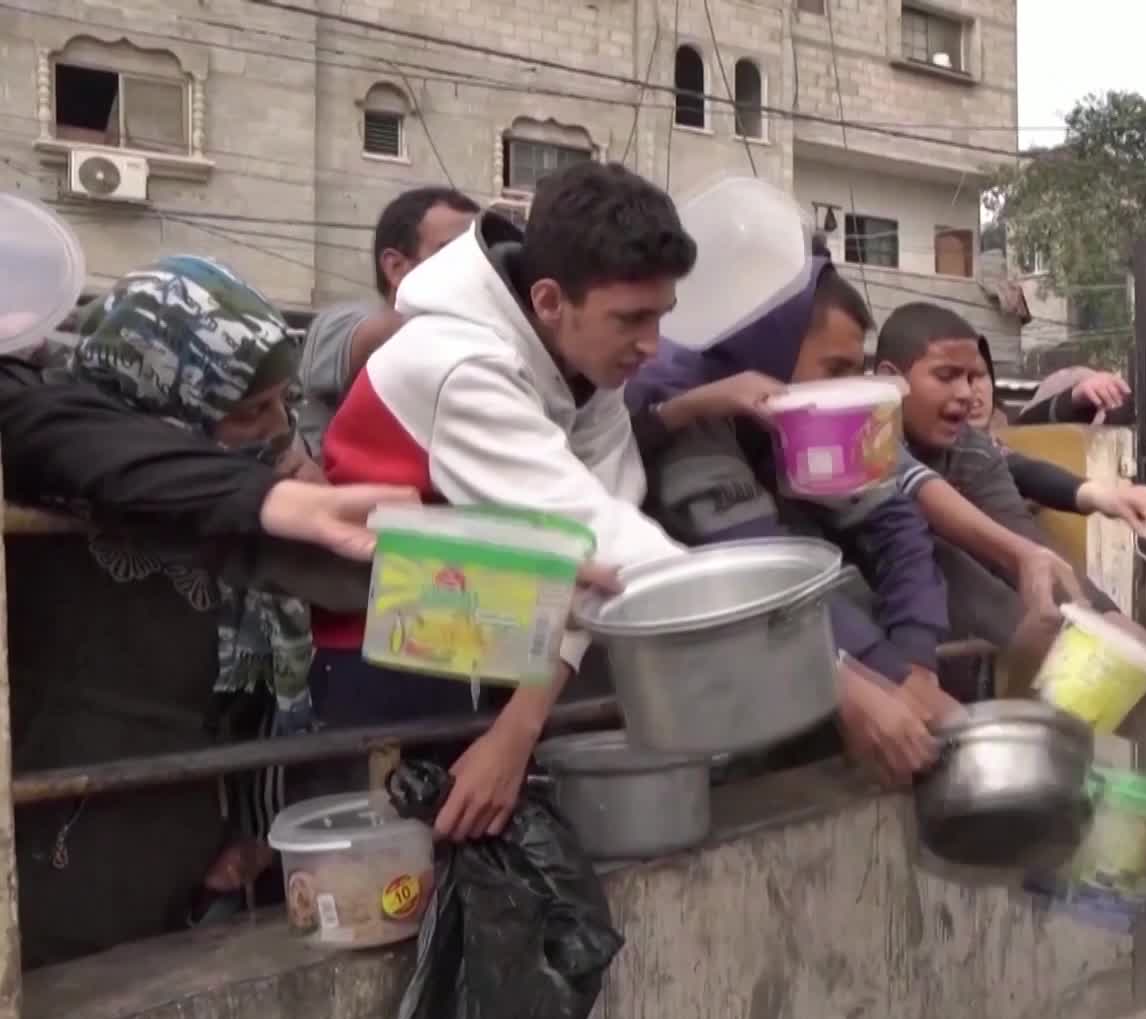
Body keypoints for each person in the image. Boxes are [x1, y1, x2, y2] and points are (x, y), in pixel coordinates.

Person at [0, 256, 418, 967]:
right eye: (248, 411)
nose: (276, 427)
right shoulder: (47, 478)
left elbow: (327, 600)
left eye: (283, 403)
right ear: (159, 402)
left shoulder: (268, 477)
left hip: (214, 828)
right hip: (77, 839)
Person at [320, 161, 692, 840]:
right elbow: (600, 546)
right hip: (393, 660)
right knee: (400, 882)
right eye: (631, 319)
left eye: (661, 317)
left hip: (501, 642)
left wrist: (520, 725)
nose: (651, 346)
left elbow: (596, 561)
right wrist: (798, 648)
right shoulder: (457, 367)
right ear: (549, 300)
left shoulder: (587, 371)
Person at [625, 259, 953, 783]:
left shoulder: (821, 424)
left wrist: (917, 660)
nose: (849, 386)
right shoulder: (688, 404)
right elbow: (754, 560)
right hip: (708, 707)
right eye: (835, 369)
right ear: (769, 348)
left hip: (818, 655)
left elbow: (894, 522)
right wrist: (882, 677)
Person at [872, 303, 1146, 687]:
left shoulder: (976, 451)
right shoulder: (859, 448)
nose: (966, 393)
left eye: (973, 377)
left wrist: (1111, 623)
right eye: (947, 376)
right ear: (888, 381)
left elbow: (1026, 540)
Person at [296, 186, 480, 448]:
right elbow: (378, 332)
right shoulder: (344, 324)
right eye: (455, 255)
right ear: (395, 267)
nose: (475, 270)